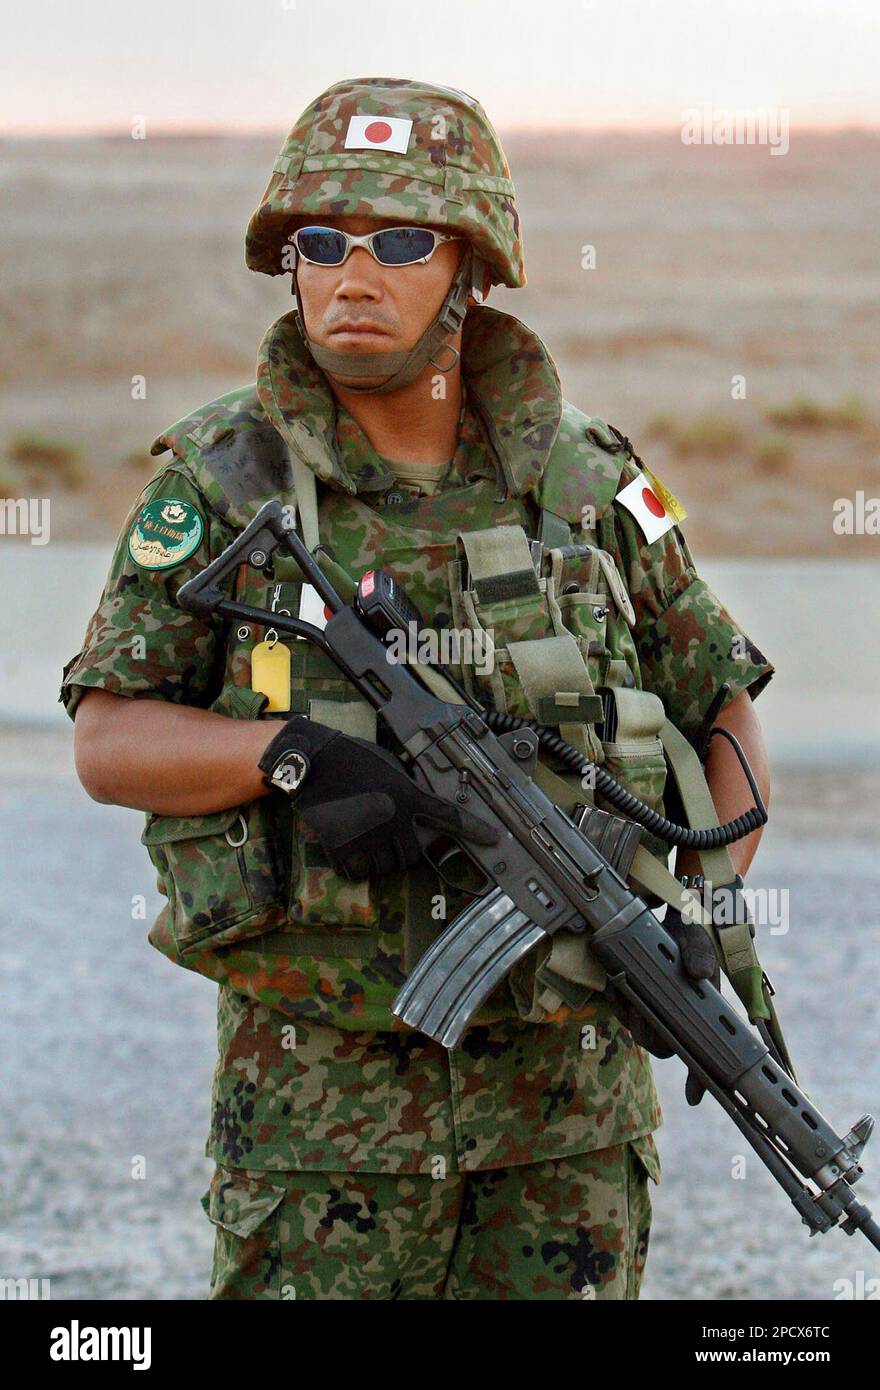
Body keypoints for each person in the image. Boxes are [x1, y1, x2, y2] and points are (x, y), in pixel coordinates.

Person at [61, 77, 773, 1301]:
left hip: (566, 1125)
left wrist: (697, 903)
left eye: (401, 242)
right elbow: (109, 734)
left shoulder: (590, 484)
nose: (353, 275)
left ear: (472, 268)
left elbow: (721, 704)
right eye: (319, 243)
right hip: (321, 1119)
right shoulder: (224, 482)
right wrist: (289, 755)